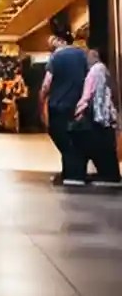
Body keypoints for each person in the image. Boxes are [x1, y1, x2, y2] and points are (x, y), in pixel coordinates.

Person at [40, 31, 89, 186]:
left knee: (61, 138)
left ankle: (71, 174)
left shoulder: (56, 57)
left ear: (59, 41)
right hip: (77, 104)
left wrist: (41, 101)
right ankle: (75, 172)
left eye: (51, 41)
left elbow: (47, 83)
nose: (49, 45)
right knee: (75, 139)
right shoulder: (82, 55)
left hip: (58, 104)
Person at [73, 49, 121, 186]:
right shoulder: (104, 70)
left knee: (92, 145)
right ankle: (110, 174)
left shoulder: (94, 72)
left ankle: (105, 175)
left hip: (96, 114)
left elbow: (88, 94)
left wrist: (79, 109)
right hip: (105, 114)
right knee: (106, 147)